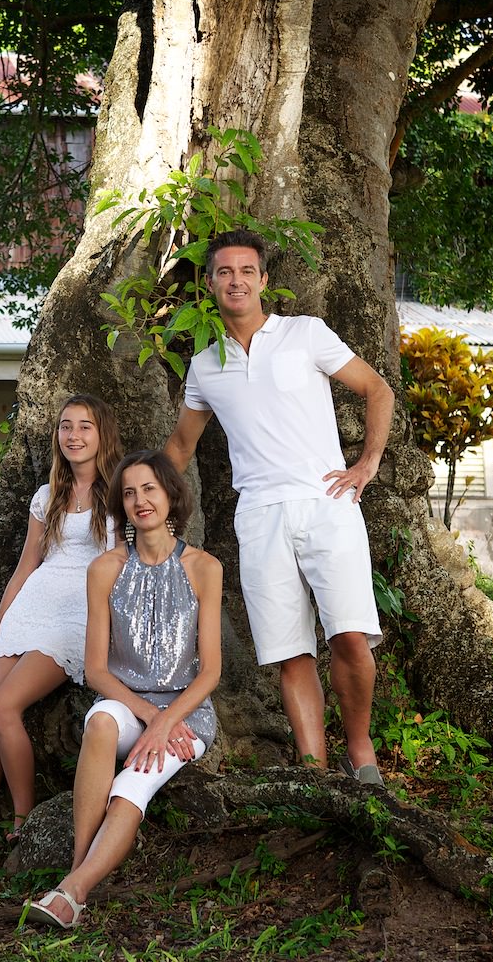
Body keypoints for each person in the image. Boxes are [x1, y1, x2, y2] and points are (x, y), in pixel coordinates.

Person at [164, 229, 393, 786]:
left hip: (327, 502)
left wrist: (367, 464)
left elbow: (377, 389)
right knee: (291, 653)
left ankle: (361, 756)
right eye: (224, 272)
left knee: (351, 638)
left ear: (264, 280)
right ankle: (314, 771)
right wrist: (138, 503)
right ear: (211, 285)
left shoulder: (305, 334)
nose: (236, 280)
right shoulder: (205, 365)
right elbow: (179, 448)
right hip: (260, 516)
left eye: (246, 271)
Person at [26, 450, 222, 929]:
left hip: (186, 715)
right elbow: (96, 669)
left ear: (172, 495)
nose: (140, 500)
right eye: (129, 493)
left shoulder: (204, 568)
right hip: (130, 704)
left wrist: (168, 720)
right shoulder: (105, 569)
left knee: (133, 782)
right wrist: (150, 719)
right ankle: (75, 873)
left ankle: (74, 891)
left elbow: (211, 671)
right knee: (100, 720)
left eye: (149, 489)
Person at [0, 394, 123, 862]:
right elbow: (24, 570)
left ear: (101, 435)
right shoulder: (48, 496)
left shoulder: (120, 494)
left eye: (85, 426)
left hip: (77, 613)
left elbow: (129, 570)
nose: (74, 436)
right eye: (66, 426)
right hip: (31, 606)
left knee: (4, 706)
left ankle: (24, 819)